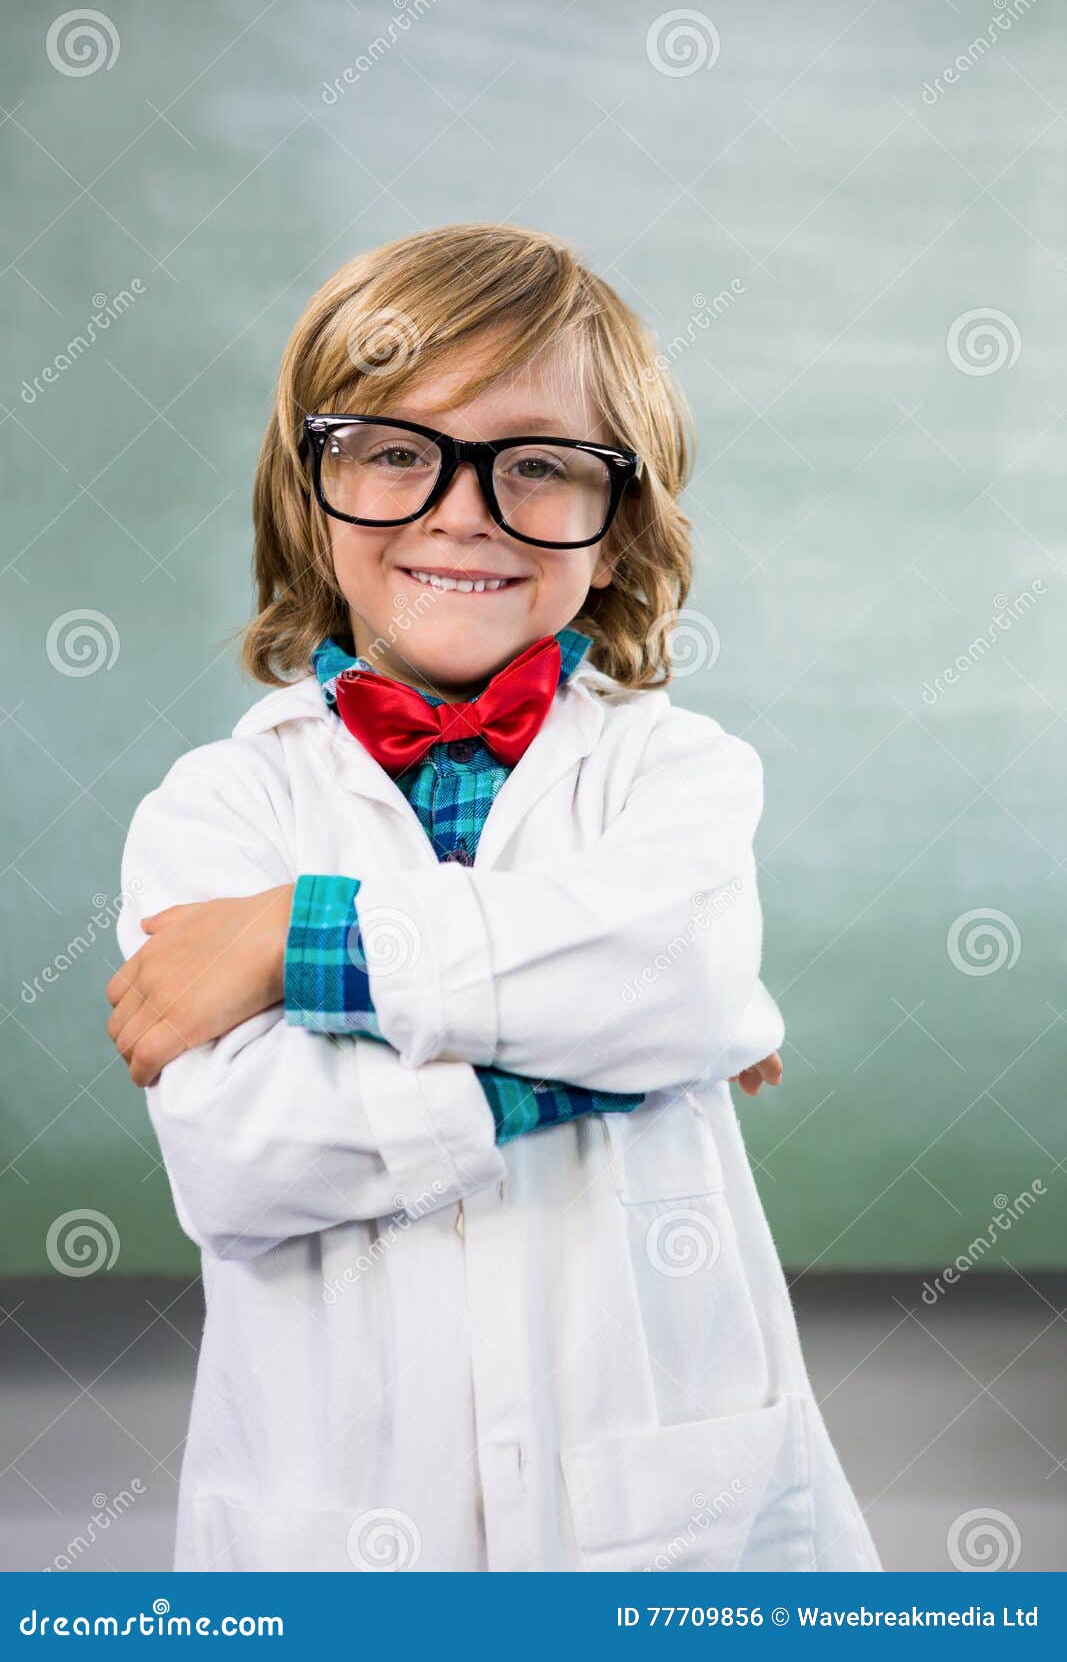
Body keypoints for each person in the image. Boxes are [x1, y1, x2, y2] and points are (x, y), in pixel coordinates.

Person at [106, 222, 880, 1573]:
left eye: (536, 463)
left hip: (667, 1524)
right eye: (396, 450)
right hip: (337, 1535)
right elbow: (242, 1157)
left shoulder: (674, 768)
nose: (461, 510)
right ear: (310, 490)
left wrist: (302, 936)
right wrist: (604, 1063)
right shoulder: (214, 812)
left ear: (619, 519)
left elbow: (682, 975)